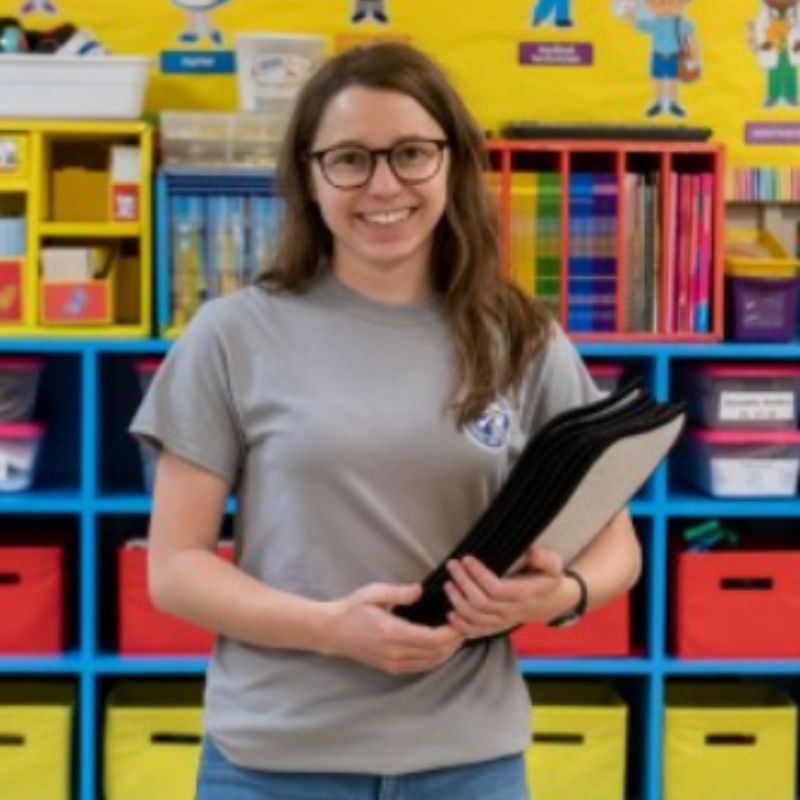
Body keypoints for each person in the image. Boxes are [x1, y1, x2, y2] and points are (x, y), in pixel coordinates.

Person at [131, 42, 642, 800]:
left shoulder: (523, 338)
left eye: (410, 153)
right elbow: (175, 569)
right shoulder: (231, 335)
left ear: (451, 162)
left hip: (470, 764)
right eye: (349, 159)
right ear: (309, 176)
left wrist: (560, 595)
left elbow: (616, 546)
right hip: (275, 763)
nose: (383, 185)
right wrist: (327, 628)